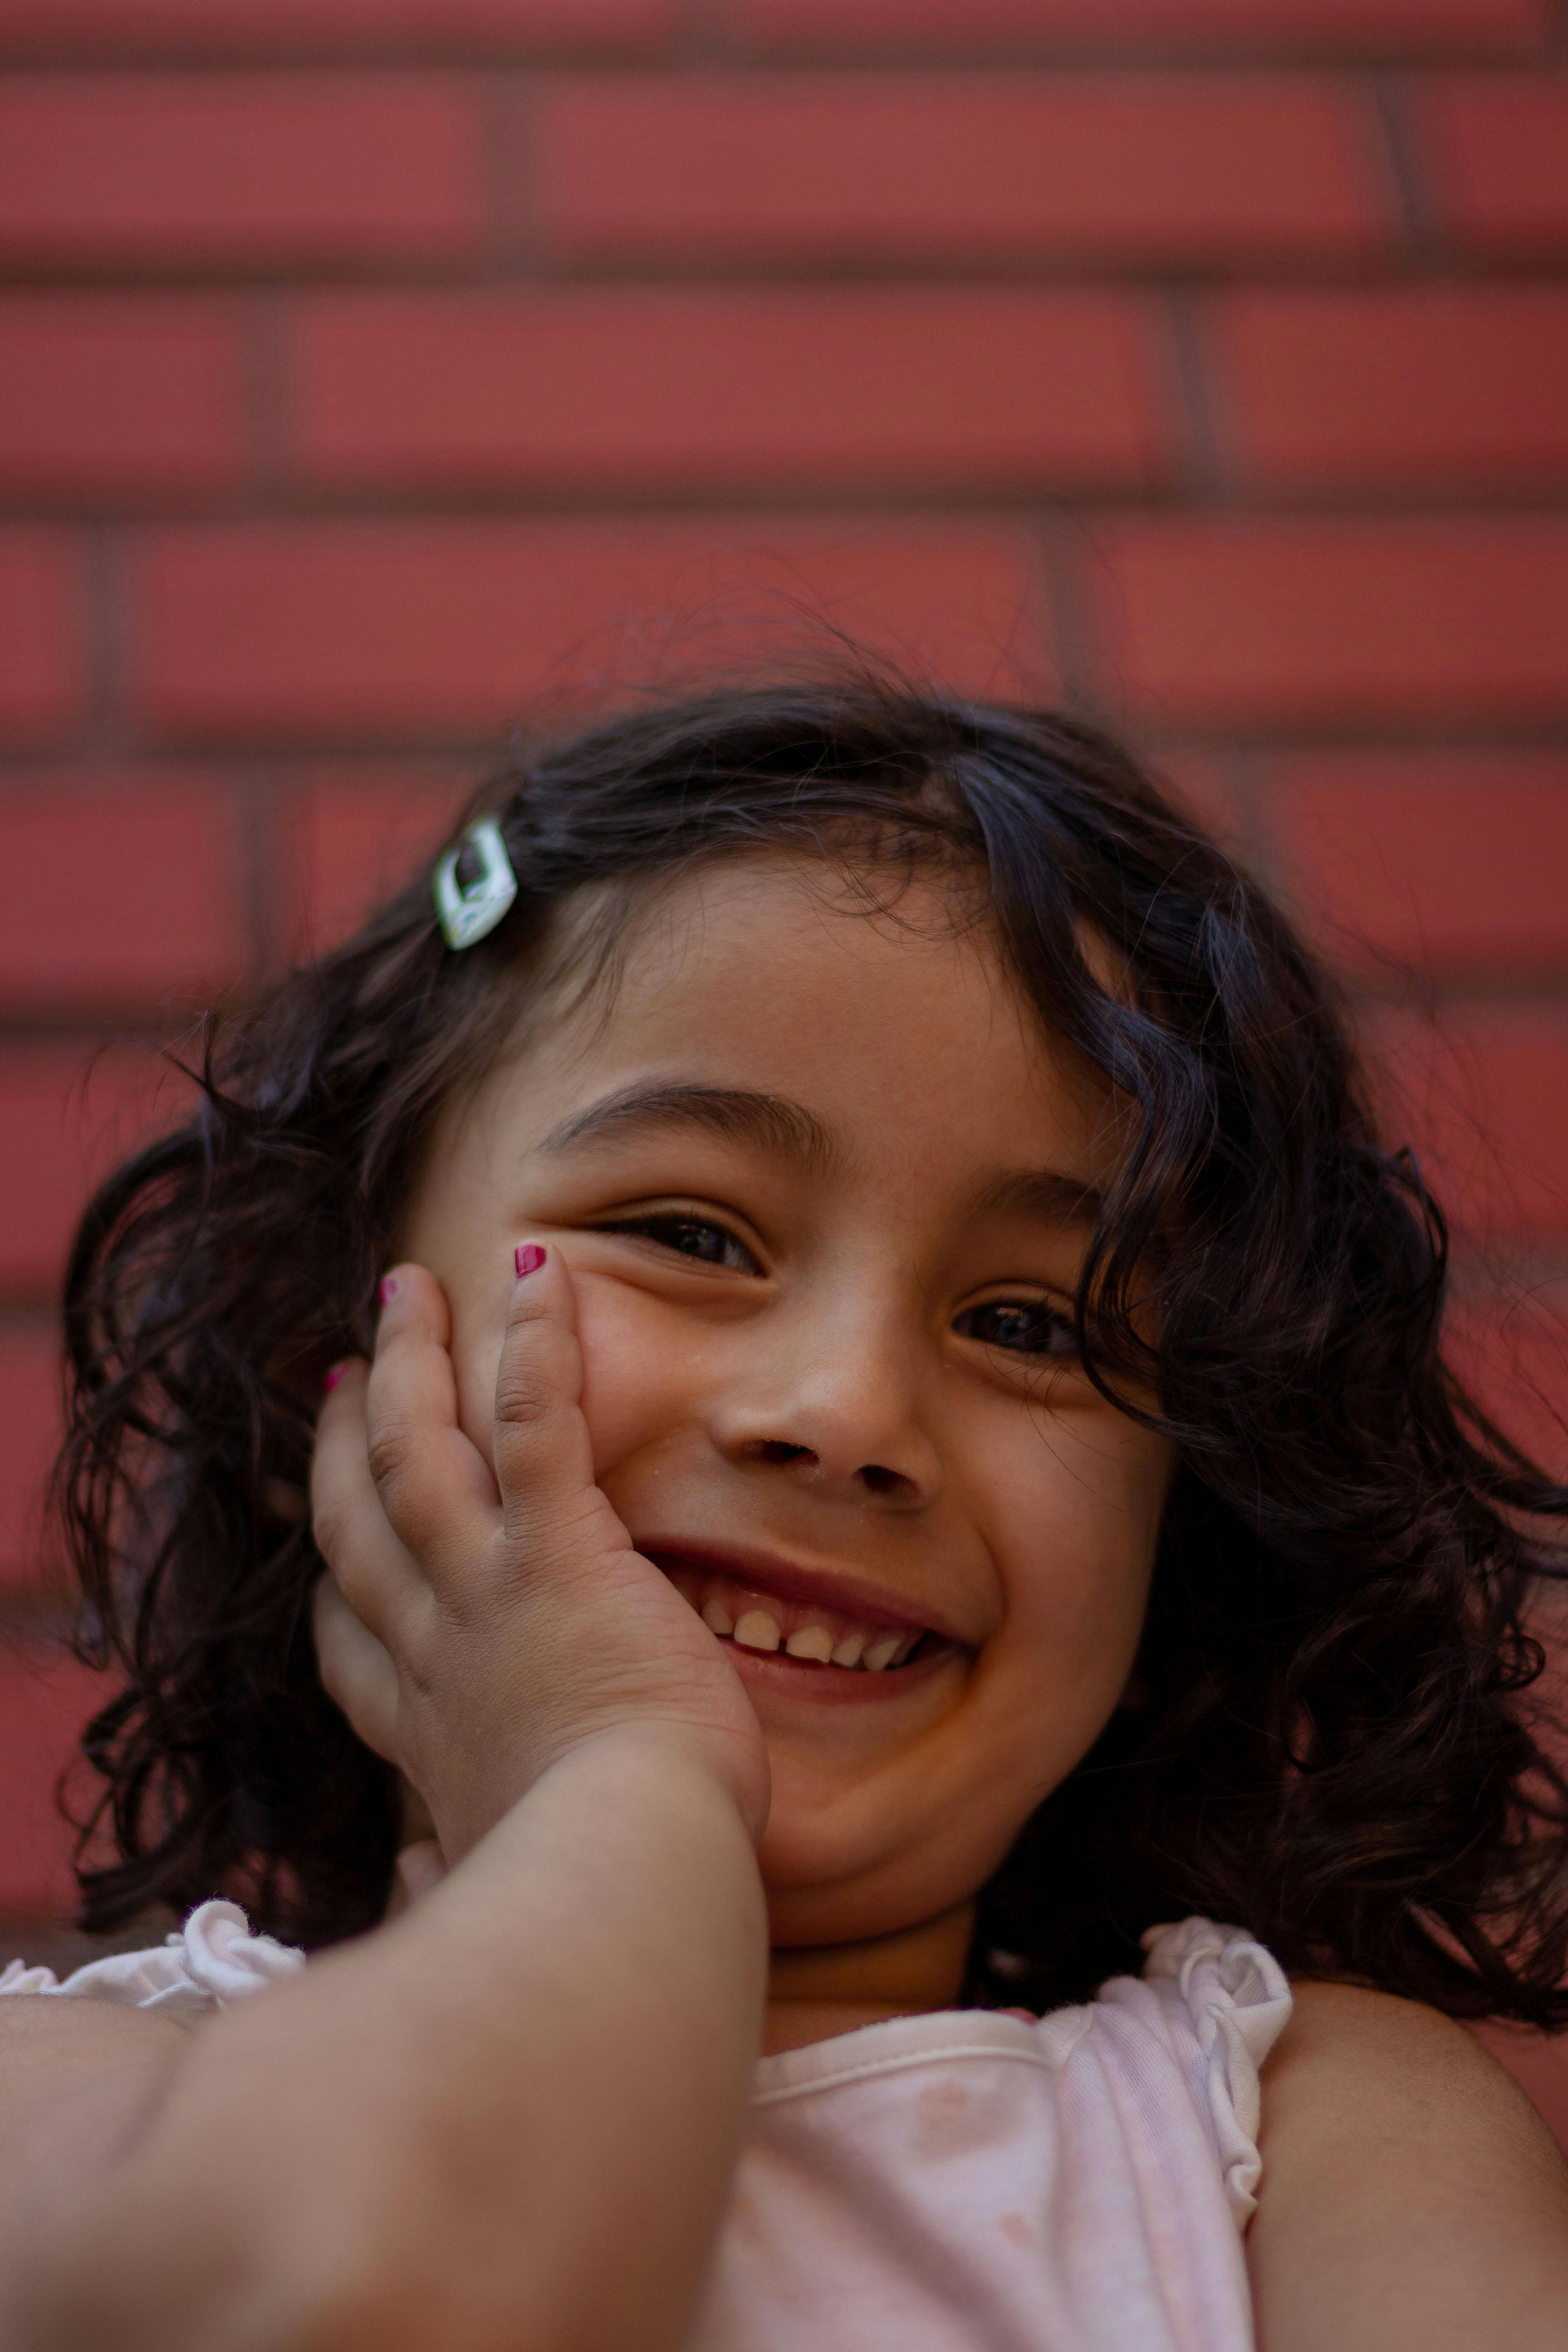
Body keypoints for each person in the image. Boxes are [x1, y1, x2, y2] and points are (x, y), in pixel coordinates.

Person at [1, 679, 1566, 2352]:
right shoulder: (93, 2090)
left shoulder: (1302, 2138)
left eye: (1033, 1325)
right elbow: (376, 2299)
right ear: (348, 1335)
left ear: (1193, 1528)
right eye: (691, 1231)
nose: (844, 1414)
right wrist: (624, 1776)